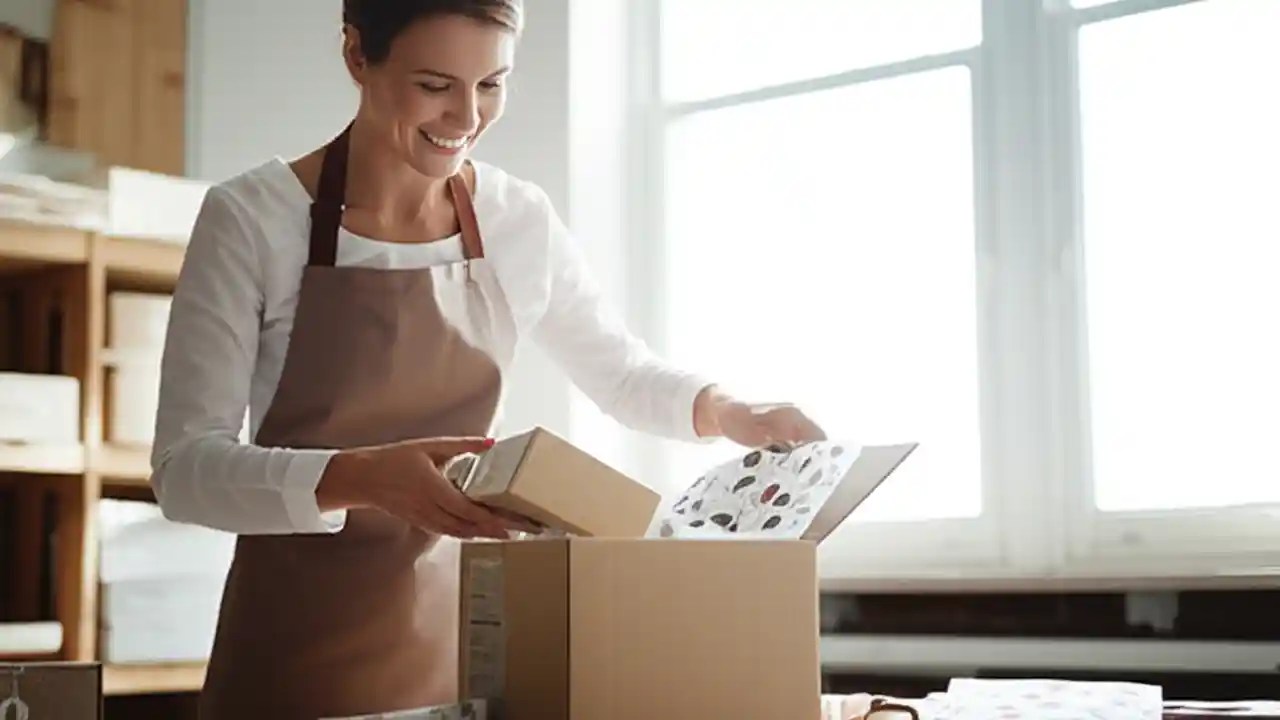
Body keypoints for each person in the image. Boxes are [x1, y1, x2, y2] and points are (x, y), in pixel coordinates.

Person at [150, 0, 826, 717]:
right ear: (356, 56)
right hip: (290, 654)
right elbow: (186, 471)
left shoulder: (515, 219)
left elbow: (622, 375)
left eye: (492, 85)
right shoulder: (252, 219)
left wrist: (731, 412)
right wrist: (363, 479)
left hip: (460, 645)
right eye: (435, 85)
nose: (465, 117)